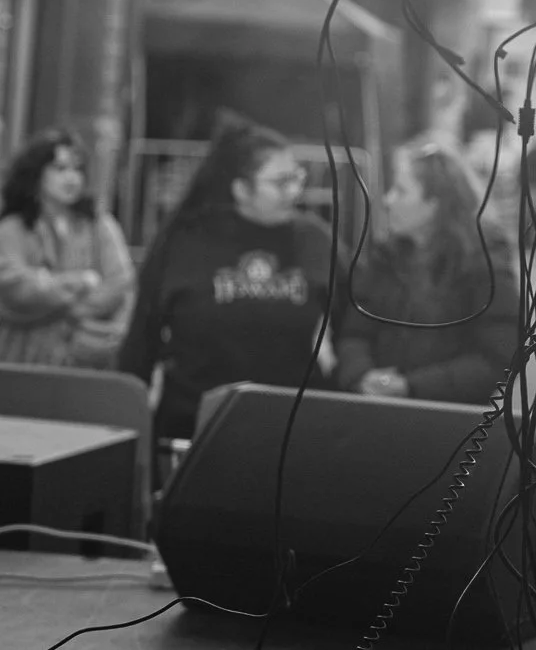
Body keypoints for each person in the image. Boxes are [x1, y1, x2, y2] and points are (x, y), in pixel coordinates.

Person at [120, 119, 332, 442]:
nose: (295, 192)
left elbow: (356, 319)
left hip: (292, 428)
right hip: (196, 426)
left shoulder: (314, 239)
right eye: (280, 182)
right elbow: (141, 339)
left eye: (297, 178)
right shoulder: (186, 240)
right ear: (240, 189)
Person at [332, 142, 520, 405]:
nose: (388, 200)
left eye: (401, 191)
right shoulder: (385, 257)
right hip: (373, 408)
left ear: (435, 204)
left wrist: (411, 386)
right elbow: (354, 332)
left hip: (449, 421)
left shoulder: (485, 264)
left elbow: (496, 357)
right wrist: (361, 375)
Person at [0, 131, 135, 368]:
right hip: (20, 361)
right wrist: (76, 283)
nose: (71, 178)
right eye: (60, 169)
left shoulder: (98, 224)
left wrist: (59, 303)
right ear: (36, 173)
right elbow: (14, 288)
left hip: (84, 361)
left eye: (77, 169)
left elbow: (119, 282)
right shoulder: (13, 227)